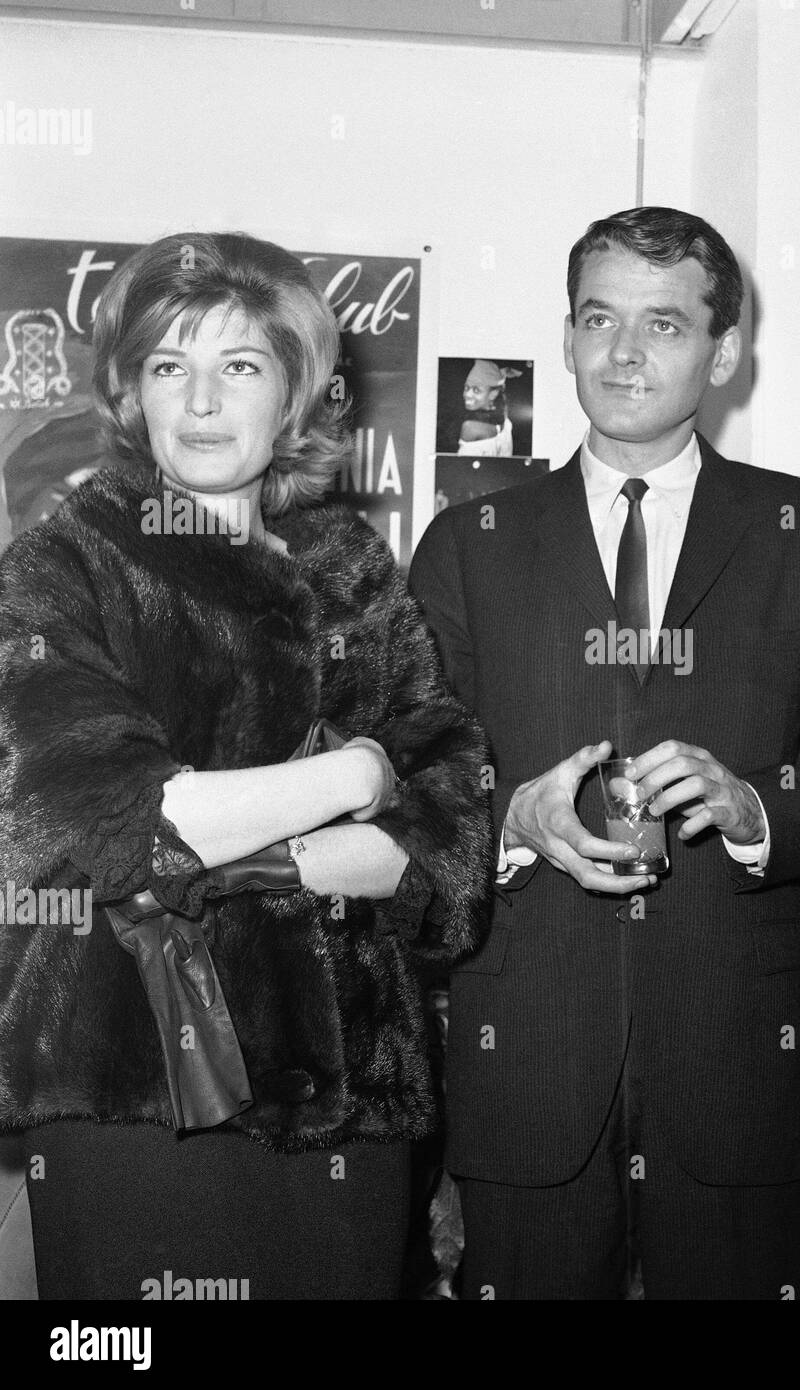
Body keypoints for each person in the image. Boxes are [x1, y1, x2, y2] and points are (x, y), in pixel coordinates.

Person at [410, 206, 800, 1300]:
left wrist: (752, 806)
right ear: (569, 336)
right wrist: (508, 821)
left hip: (733, 1055)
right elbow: (412, 773)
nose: (624, 353)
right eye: (600, 319)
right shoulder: (470, 542)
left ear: (723, 352)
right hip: (524, 1054)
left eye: (665, 324)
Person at [0, 231, 492, 1300]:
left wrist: (301, 854)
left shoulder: (351, 567)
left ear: (297, 395)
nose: (204, 401)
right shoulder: (66, 562)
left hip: (352, 1087)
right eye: (170, 366)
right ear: (133, 393)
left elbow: (453, 834)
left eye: (242, 366)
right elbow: (116, 828)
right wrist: (354, 783)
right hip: (135, 1083)